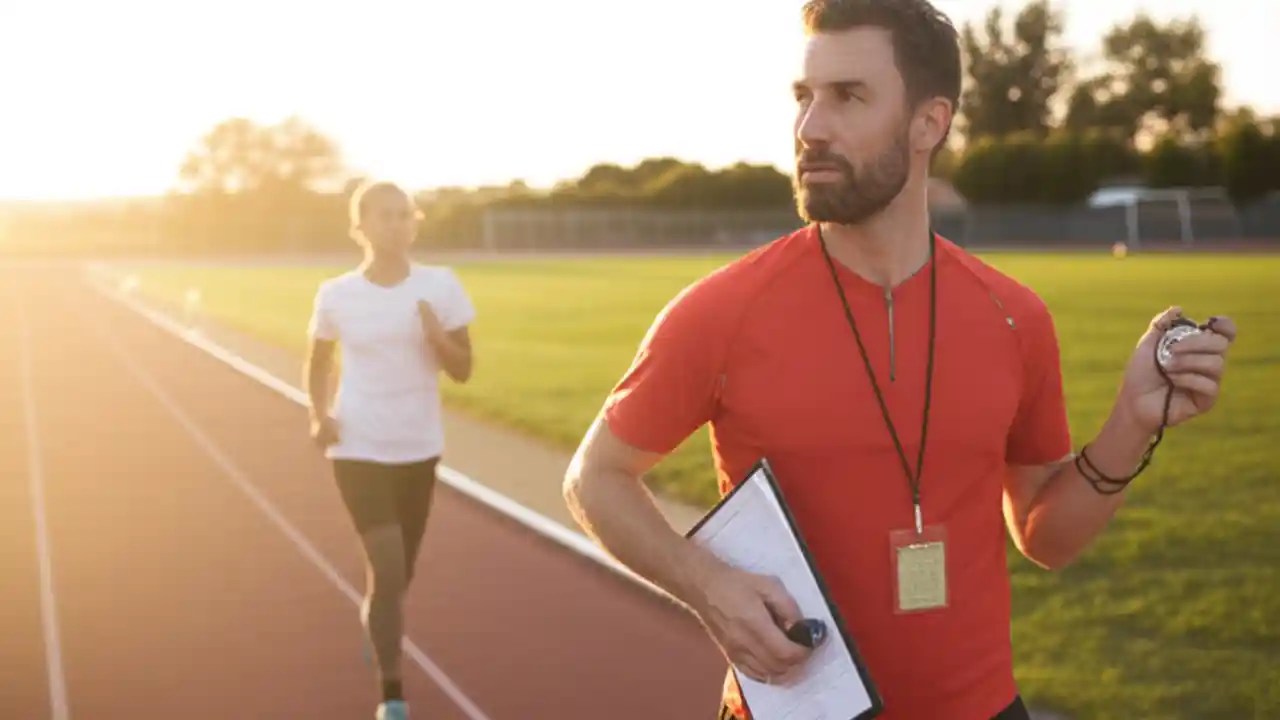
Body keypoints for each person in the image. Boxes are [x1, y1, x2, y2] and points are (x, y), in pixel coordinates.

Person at [561, 1, 1238, 718]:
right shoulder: (721, 311)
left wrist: (1131, 423)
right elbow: (594, 478)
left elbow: (1045, 536)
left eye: (848, 97)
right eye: (804, 97)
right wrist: (705, 583)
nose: (809, 127)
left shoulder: (1015, 318)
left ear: (930, 122)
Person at [304, 179, 476, 720]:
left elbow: (463, 370)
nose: (396, 224)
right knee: (388, 568)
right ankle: (392, 694)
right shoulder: (336, 294)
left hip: (418, 448)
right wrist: (318, 413)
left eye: (404, 215)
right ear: (360, 228)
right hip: (359, 445)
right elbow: (317, 360)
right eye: (384, 216)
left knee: (397, 580)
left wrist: (436, 335)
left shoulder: (442, 287)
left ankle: (378, 628)